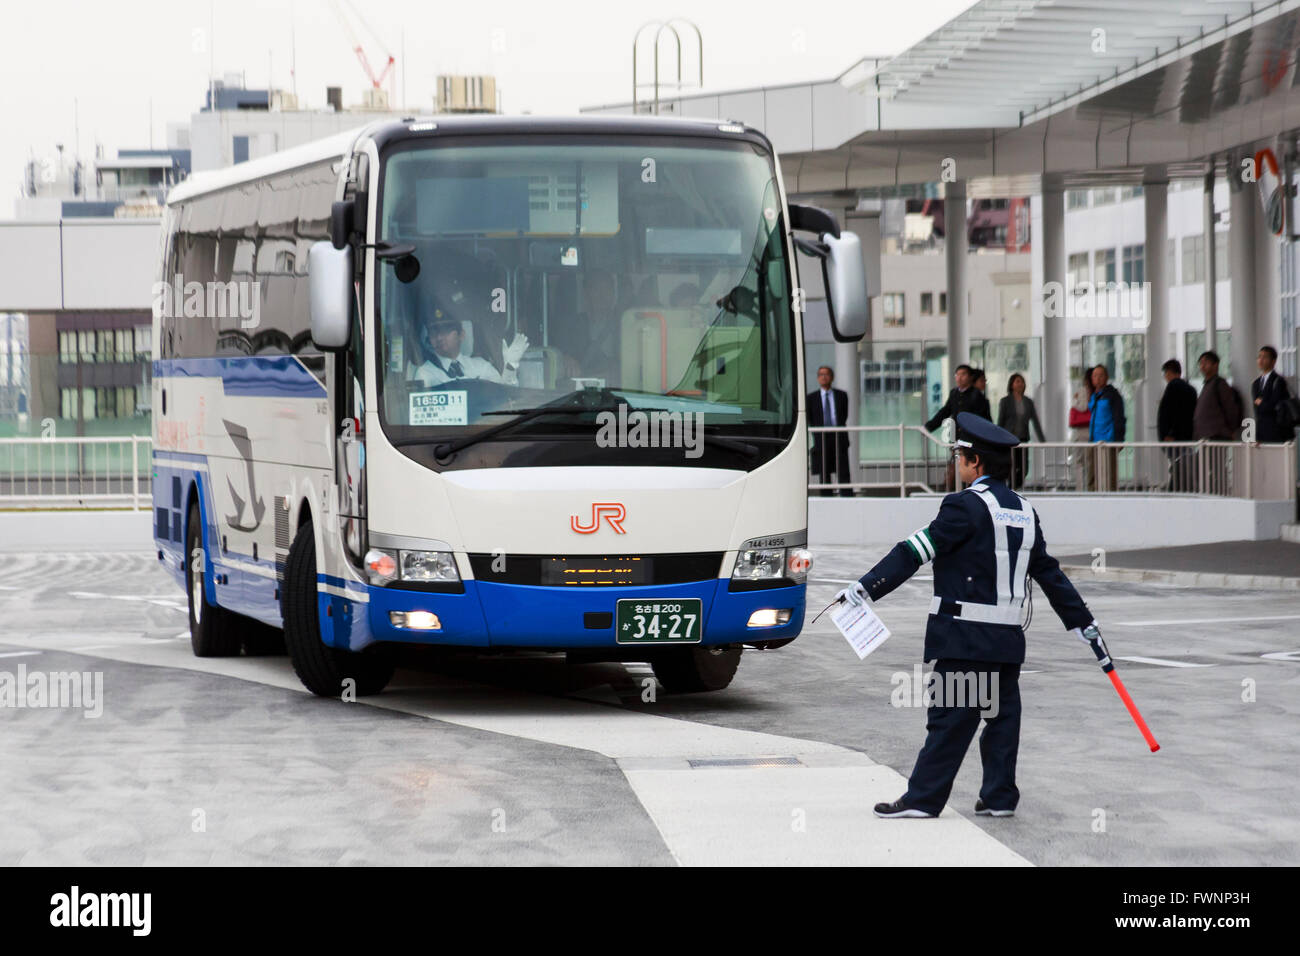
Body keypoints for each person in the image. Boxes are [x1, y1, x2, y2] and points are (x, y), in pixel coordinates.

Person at [837, 413, 1103, 819]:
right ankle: (998, 798)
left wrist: (865, 588)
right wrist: (1083, 621)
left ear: (976, 462)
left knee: (950, 721)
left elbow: (913, 551)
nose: (956, 461)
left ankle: (923, 799)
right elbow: (1050, 573)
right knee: (1001, 719)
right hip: (1006, 643)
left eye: (960, 455)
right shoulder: (1025, 511)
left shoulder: (963, 507)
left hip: (964, 638)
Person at [410, 305, 526, 388]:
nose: (439, 338)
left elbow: (504, 397)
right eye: (434, 332)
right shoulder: (425, 372)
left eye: (446, 331)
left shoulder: (481, 366)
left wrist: (510, 367)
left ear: (462, 335)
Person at [927, 364, 986, 490]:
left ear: (970, 377)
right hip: (957, 438)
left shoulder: (977, 395)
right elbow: (945, 411)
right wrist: (929, 426)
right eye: (957, 375)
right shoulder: (954, 393)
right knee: (955, 465)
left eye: (963, 374)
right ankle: (950, 489)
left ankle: (967, 489)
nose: (959, 378)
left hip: (971, 439)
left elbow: (981, 418)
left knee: (969, 466)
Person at [1194, 350, 1242, 495]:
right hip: (1206, 437)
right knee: (1201, 467)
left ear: (1215, 365)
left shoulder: (1219, 384)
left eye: (1206, 362)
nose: (1202, 366)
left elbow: (1230, 409)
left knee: (1217, 468)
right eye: (1200, 363)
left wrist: (1231, 429)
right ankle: (1211, 494)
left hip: (1217, 435)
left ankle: (1221, 495)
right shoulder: (1207, 385)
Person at [808, 365, 852, 497]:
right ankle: (826, 494)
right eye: (821, 374)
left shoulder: (841, 395)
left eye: (826, 374)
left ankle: (846, 494)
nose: (824, 377)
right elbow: (811, 418)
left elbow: (844, 415)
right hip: (821, 437)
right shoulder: (811, 398)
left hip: (839, 435)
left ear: (832, 377)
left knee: (843, 467)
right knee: (824, 468)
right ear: (817, 378)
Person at [997, 373, 1045, 489]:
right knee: (1010, 466)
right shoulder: (1005, 401)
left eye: (1022, 381)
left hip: (1022, 439)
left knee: (1024, 467)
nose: (1020, 384)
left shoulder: (1028, 402)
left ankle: (1013, 487)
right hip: (1008, 439)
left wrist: (1042, 440)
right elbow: (1000, 421)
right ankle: (1010, 488)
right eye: (1017, 381)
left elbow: (1035, 421)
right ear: (1012, 384)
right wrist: (997, 439)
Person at [1156, 359, 1197, 492]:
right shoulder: (1191, 389)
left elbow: (1174, 412)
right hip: (1187, 435)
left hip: (1175, 437)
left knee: (1178, 464)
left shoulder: (1173, 387)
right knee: (1182, 464)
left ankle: (1177, 490)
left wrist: (1170, 433)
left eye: (1165, 373)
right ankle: (1180, 488)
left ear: (1169, 372)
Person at [1088, 366, 1125, 491]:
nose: (1097, 379)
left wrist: (1119, 439)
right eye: (1095, 376)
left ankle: (1112, 499)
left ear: (1106, 377)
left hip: (1108, 441)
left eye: (1100, 375)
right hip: (1094, 441)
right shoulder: (1094, 396)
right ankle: (1093, 500)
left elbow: (1119, 418)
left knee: (1109, 475)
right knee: (1093, 474)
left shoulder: (1113, 395)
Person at [1253, 345, 1294, 443]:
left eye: (1265, 357)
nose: (1261, 360)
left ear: (1273, 361)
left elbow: (1274, 404)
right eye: (1259, 357)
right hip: (1262, 432)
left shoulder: (1278, 381)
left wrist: (1262, 403)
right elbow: (1257, 409)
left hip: (1278, 431)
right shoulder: (1256, 383)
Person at [1069, 366, 1096, 490]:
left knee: (1079, 462)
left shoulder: (1082, 391)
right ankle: (1091, 487)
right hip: (1092, 431)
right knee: (1090, 462)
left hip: (1081, 432)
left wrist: (1075, 400)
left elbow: (1082, 408)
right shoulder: (1098, 391)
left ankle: (1079, 488)